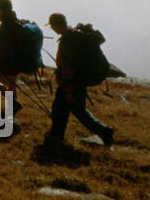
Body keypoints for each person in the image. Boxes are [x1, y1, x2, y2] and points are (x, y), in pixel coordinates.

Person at [45, 13, 115, 148]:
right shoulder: (74, 35)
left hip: (71, 84)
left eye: (53, 26)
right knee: (76, 110)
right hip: (78, 81)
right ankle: (57, 134)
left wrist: (68, 91)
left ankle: (57, 135)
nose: (52, 29)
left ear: (57, 25)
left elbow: (68, 68)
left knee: (62, 109)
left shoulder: (69, 42)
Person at [0, 0, 25, 109]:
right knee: (12, 84)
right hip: (18, 63)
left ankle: (13, 103)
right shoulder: (17, 22)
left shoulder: (7, 25)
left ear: (0, 8)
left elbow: (2, 46)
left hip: (7, 63)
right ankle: (13, 106)